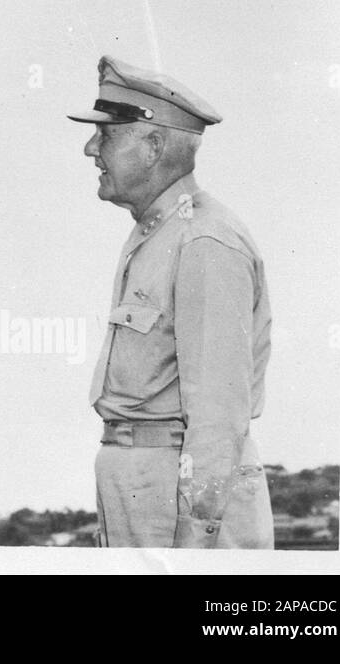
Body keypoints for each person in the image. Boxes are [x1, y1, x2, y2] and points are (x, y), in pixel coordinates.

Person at [68, 56, 274, 548]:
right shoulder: (160, 234)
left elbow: (219, 418)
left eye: (108, 135)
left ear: (153, 146)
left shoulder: (204, 242)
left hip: (181, 496)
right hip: (144, 486)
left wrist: (196, 543)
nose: (90, 148)